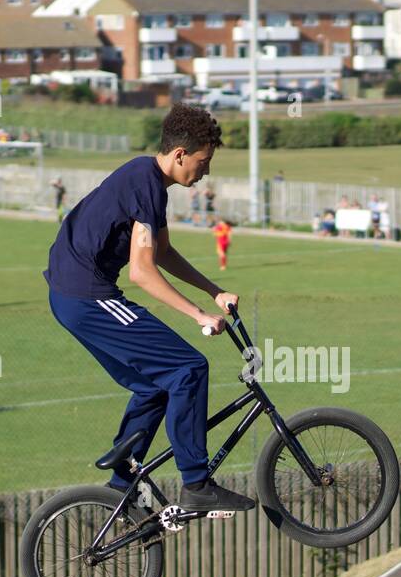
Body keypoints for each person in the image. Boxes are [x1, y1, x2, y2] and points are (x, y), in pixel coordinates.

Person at [42, 103, 253, 514]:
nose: (205, 171)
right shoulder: (146, 183)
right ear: (179, 155)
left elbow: (163, 252)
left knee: (156, 384)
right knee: (189, 368)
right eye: (203, 161)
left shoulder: (148, 180)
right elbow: (141, 271)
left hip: (74, 296)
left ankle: (123, 482)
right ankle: (196, 482)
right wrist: (198, 316)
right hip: (86, 296)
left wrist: (214, 291)